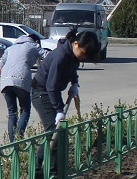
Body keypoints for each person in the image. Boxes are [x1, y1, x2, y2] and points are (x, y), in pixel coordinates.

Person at [30, 28, 100, 162]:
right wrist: (59, 110)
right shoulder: (60, 56)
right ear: (76, 44)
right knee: (53, 131)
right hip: (41, 92)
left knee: (59, 134)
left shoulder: (73, 56)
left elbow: (72, 70)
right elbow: (51, 86)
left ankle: (55, 172)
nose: (83, 57)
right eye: (83, 53)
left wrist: (74, 82)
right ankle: (38, 170)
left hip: (51, 92)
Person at [0, 28, 42, 141]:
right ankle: (19, 138)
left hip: (5, 81)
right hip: (21, 80)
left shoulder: (10, 48)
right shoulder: (34, 46)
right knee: (25, 109)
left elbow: (0, 65)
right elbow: (46, 56)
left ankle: (12, 142)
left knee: (12, 113)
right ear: (36, 41)